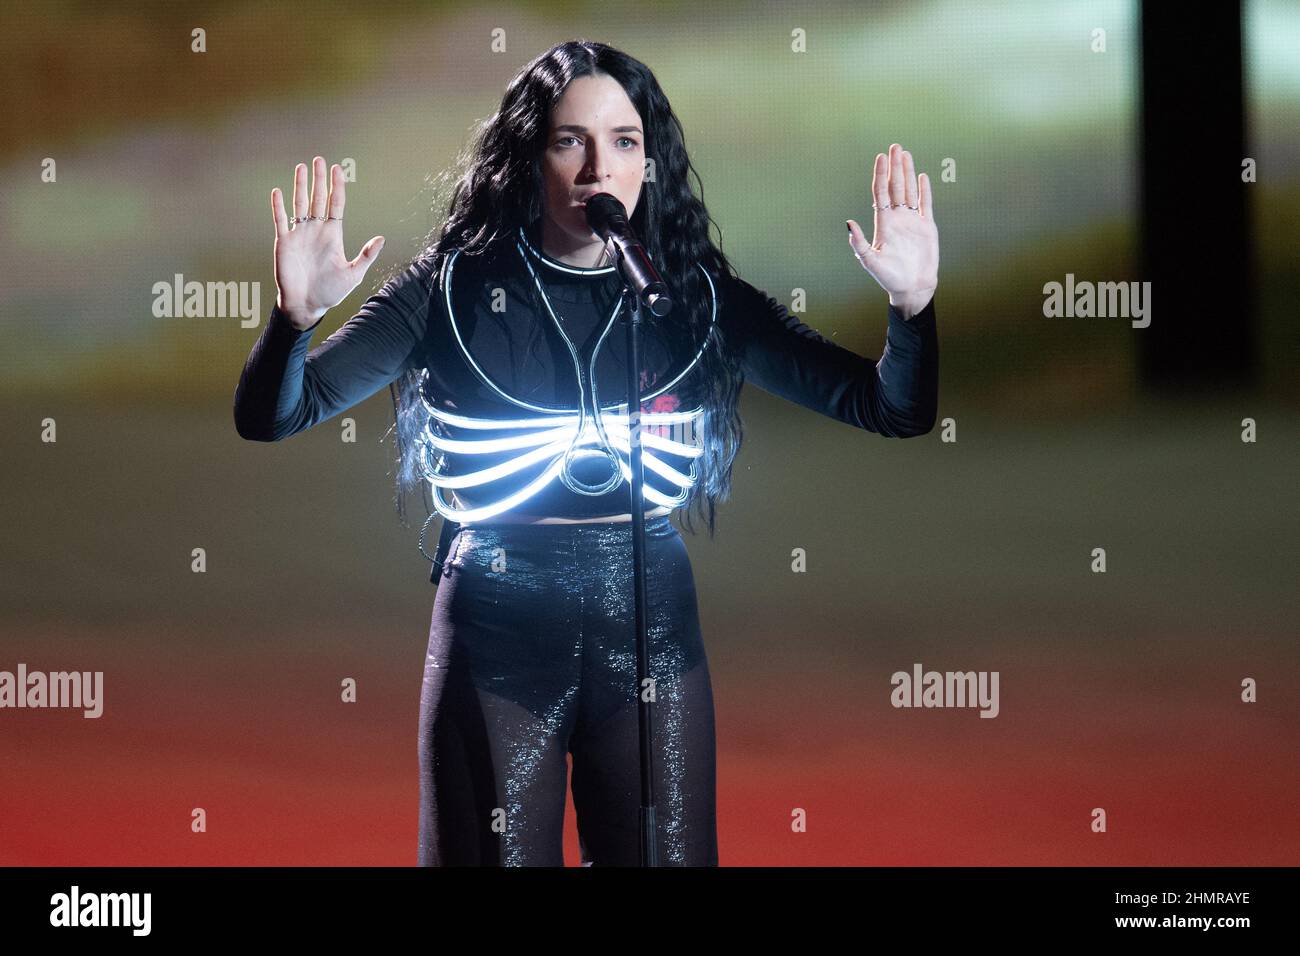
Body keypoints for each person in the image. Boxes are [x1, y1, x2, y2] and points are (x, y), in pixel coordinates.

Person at [233, 40, 939, 867]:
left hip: (653, 635)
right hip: (497, 626)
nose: (599, 166)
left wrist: (912, 305)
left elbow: (891, 408)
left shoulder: (691, 298)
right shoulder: (448, 290)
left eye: (625, 141)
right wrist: (294, 319)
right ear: (527, 156)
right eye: (570, 140)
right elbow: (276, 416)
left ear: (652, 160)